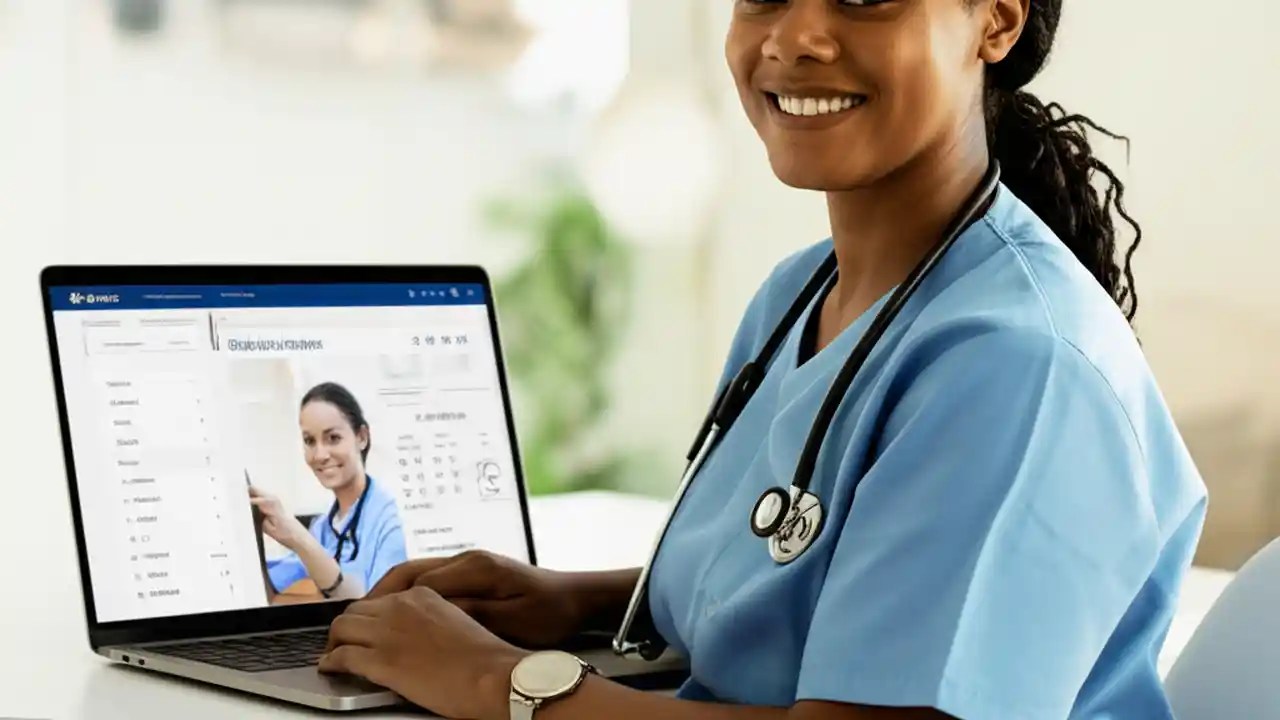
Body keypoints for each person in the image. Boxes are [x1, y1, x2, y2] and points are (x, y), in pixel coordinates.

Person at [318, 2, 1208, 718]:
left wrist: (496, 681)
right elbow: (819, 577)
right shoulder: (800, 294)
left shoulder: (1018, 367)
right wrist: (575, 601)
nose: (795, 38)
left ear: (996, 21)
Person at [249, 382, 407, 601]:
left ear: (362, 437)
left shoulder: (390, 518)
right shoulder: (323, 528)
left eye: (333, 438)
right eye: (309, 441)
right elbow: (270, 589)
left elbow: (379, 605)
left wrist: (299, 538)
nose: (320, 455)